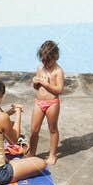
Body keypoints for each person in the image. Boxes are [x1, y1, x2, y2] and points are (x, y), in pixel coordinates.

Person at [28, 39, 65, 167]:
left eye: (47, 60)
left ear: (55, 57)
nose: (45, 63)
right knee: (33, 129)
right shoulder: (40, 68)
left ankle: (52, 155)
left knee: (52, 129)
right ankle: (32, 153)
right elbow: (36, 88)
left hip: (52, 103)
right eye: (42, 60)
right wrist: (35, 83)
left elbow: (59, 90)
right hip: (39, 102)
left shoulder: (58, 71)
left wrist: (46, 84)